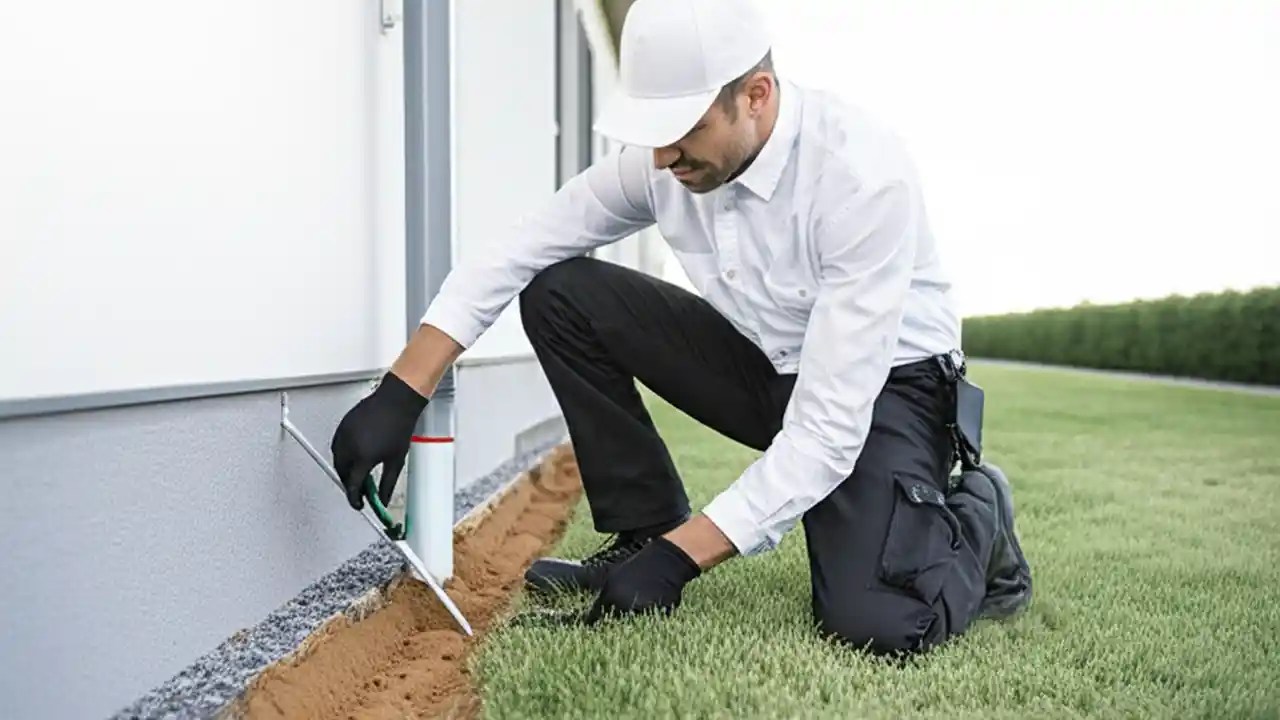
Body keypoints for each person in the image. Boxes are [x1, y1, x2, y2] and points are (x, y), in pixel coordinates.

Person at [329, 0, 1031, 655]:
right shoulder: (668, 162)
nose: (663, 159)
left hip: (888, 390)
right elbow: (522, 246)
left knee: (875, 620)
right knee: (560, 291)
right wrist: (403, 388)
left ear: (755, 95)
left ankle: (981, 514)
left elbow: (826, 430)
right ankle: (642, 530)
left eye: (684, 130)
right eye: (653, 134)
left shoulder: (861, 180)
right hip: (767, 365)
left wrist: (682, 561)